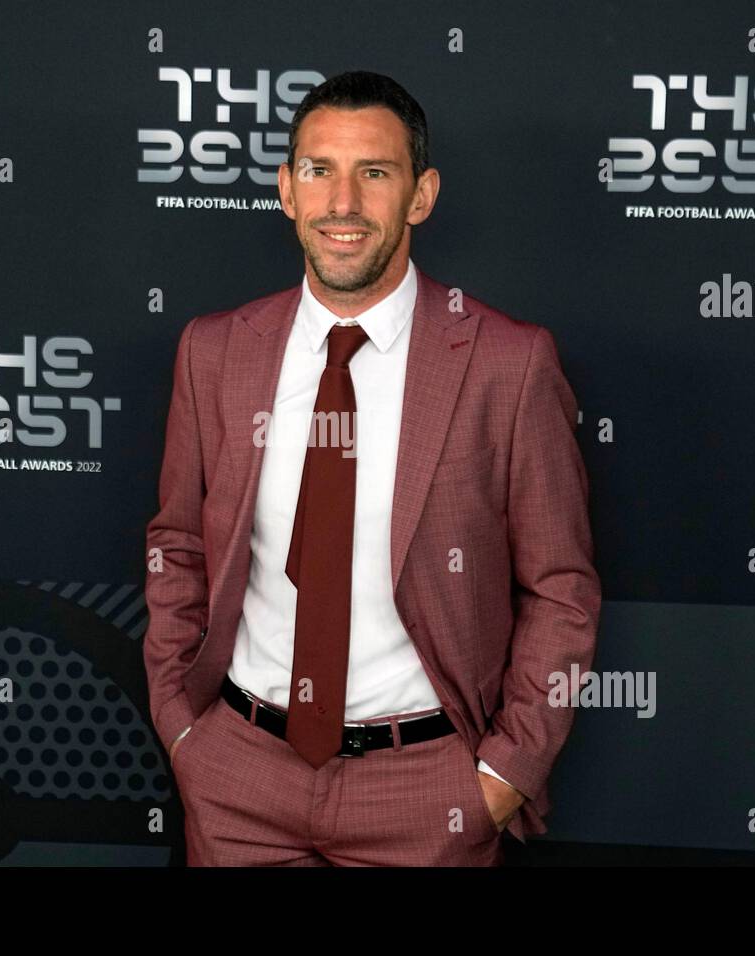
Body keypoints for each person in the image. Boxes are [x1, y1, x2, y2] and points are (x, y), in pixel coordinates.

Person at [144, 70, 600, 866]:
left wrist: (504, 773)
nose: (343, 203)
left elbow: (561, 587)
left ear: (421, 195)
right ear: (287, 190)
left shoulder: (507, 362)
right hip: (238, 780)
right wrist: (183, 728)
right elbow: (178, 543)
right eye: (319, 171)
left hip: (428, 791)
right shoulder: (215, 352)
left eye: (375, 173)